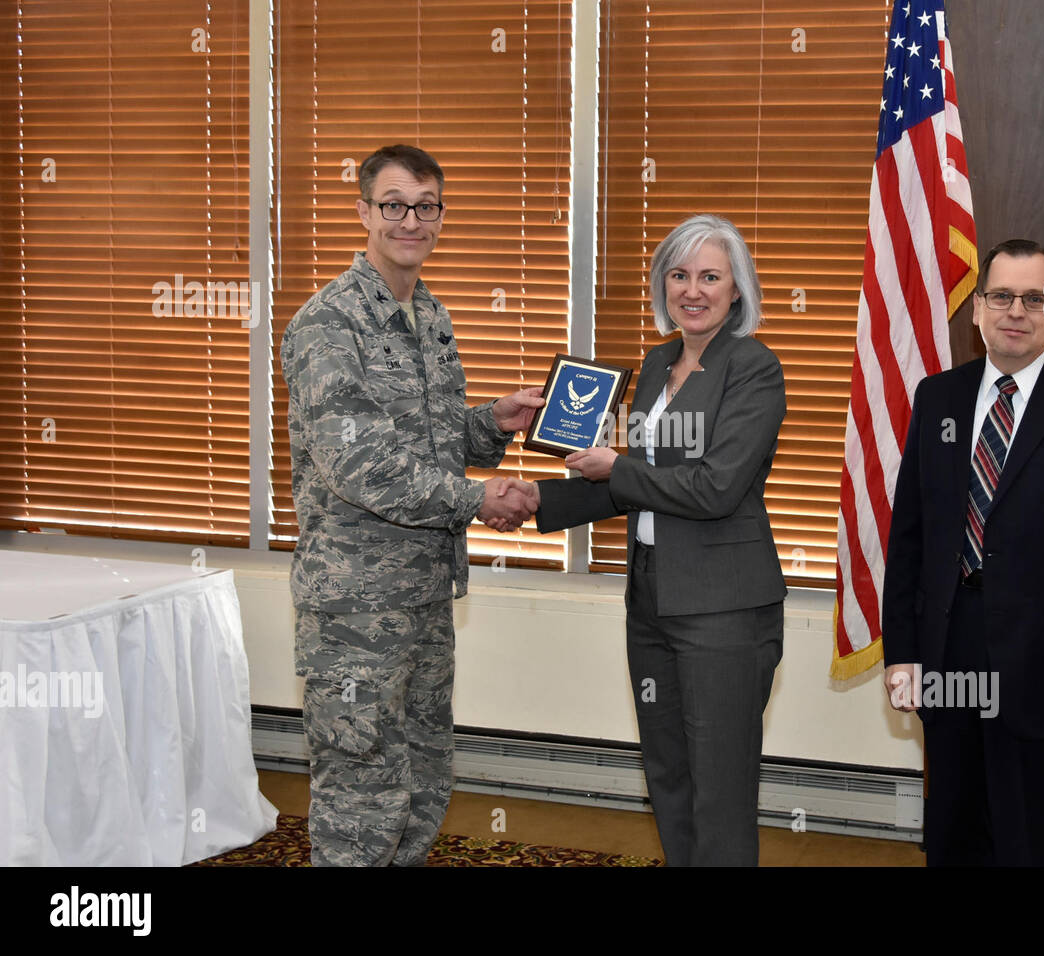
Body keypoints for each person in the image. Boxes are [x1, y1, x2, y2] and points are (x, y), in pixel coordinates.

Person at [280, 143, 543, 866]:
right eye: (393, 205)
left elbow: (420, 439)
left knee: (424, 780)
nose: (410, 221)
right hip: (356, 607)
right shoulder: (328, 324)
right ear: (364, 211)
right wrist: (477, 498)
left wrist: (492, 421)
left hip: (424, 592)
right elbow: (358, 463)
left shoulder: (428, 315)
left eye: (426, 207)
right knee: (361, 791)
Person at [496, 214, 787, 865]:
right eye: (679, 275)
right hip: (652, 596)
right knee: (668, 775)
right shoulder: (657, 366)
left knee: (720, 788)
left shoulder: (753, 368)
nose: (693, 289)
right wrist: (539, 497)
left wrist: (617, 467)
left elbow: (714, 488)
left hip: (724, 609)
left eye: (710, 276)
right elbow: (633, 483)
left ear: (736, 289)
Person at [881, 238, 1044, 866]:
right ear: (977, 310)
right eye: (1001, 296)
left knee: (1031, 841)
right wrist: (905, 654)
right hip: (948, 654)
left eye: (1035, 297)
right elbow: (911, 539)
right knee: (952, 834)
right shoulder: (938, 397)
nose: (1016, 311)